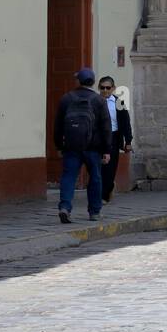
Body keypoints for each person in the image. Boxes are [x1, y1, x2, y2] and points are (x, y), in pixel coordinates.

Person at [53, 67, 112, 223]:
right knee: (95, 178)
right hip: (94, 147)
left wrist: (59, 145)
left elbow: (58, 125)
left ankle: (65, 207)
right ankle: (94, 212)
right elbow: (106, 126)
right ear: (92, 82)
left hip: (71, 147)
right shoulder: (99, 100)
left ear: (78, 81)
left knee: (68, 177)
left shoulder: (66, 98)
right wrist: (107, 150)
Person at [97, 76, 133, 204]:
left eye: (108, 88)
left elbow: (125, 123)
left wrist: (128, 141)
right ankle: (103, 190)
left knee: (110, 167)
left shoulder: (119, 103)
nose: (105, 90)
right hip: (98, 137)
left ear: (113, 88)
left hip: (113, 137)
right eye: (102, 88)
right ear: (99, 88)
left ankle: (104, 195)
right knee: (99, 167)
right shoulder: (95, 101)